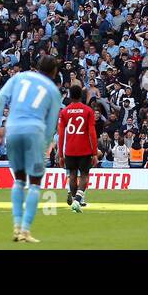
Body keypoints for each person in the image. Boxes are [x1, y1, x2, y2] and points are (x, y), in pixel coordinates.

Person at [0, 55, 62, 243]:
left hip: (12, 130)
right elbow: (51, 123)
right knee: (35, 183)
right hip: (35, 132)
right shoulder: (53, 91)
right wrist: (46, 145)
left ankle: (15, 226)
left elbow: (0, 99)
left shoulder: (19, 77)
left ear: (37, 67)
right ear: (54, 72)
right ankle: (25, 230)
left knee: (19, 179)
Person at [57, 84, 97, 212]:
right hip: (84, 149)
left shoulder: (64, 112)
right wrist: (95, 152)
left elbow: (61, 134)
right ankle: (78, 200)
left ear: (69, 95)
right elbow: (92, 132)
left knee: (72, 175)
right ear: (81, 96)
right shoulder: (88, 111)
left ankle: (75, 200)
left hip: (70, 149)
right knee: (84, 175)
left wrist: (61, 154)